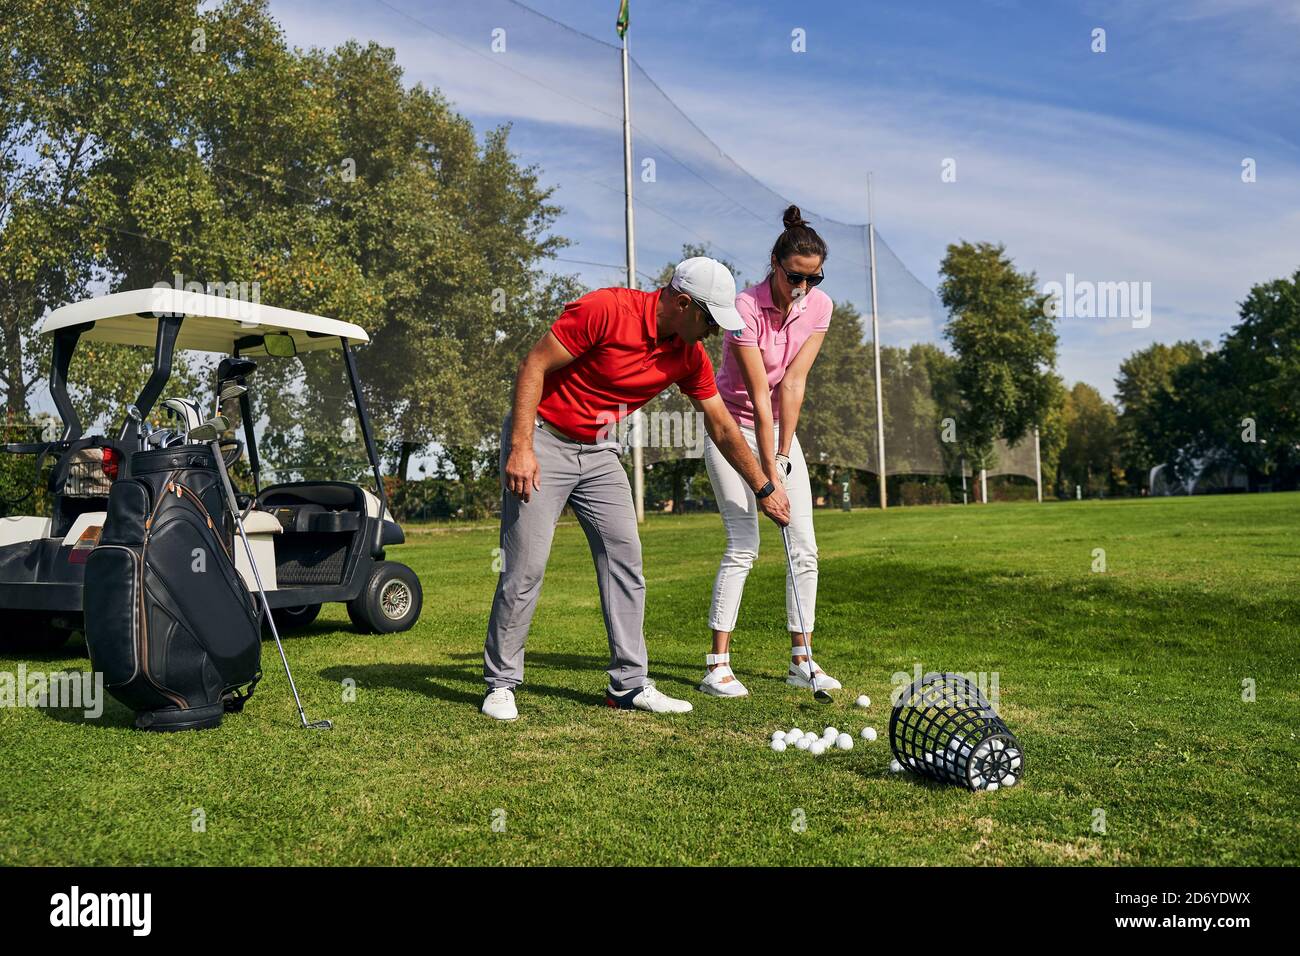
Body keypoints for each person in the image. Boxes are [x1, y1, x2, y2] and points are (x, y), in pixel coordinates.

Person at [481, 257, 791, 721]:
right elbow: (533, 367)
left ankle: (627, 683)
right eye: (709, 319)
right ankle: (501, 683)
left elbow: (723, 427)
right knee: (525, 567)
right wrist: (521, 446)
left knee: (625, 560)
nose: (712, 332)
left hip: (600, 451)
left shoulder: (688, 355)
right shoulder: (606, 309)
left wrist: (764, 488)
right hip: (543, 438)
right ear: (683, 304)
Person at [697, 206, 841, 698]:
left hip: (779, 428)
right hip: (729, 428)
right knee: (745, 542)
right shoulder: (744, 307)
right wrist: (767, 483)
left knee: (805, 546)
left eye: (814, 278)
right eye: (795, 278)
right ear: (775, 266)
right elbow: (758, 396)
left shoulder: (819, 307)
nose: (803, 288)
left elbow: (794, 383)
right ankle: (717, 664)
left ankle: (802, 659)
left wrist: (781, 457)